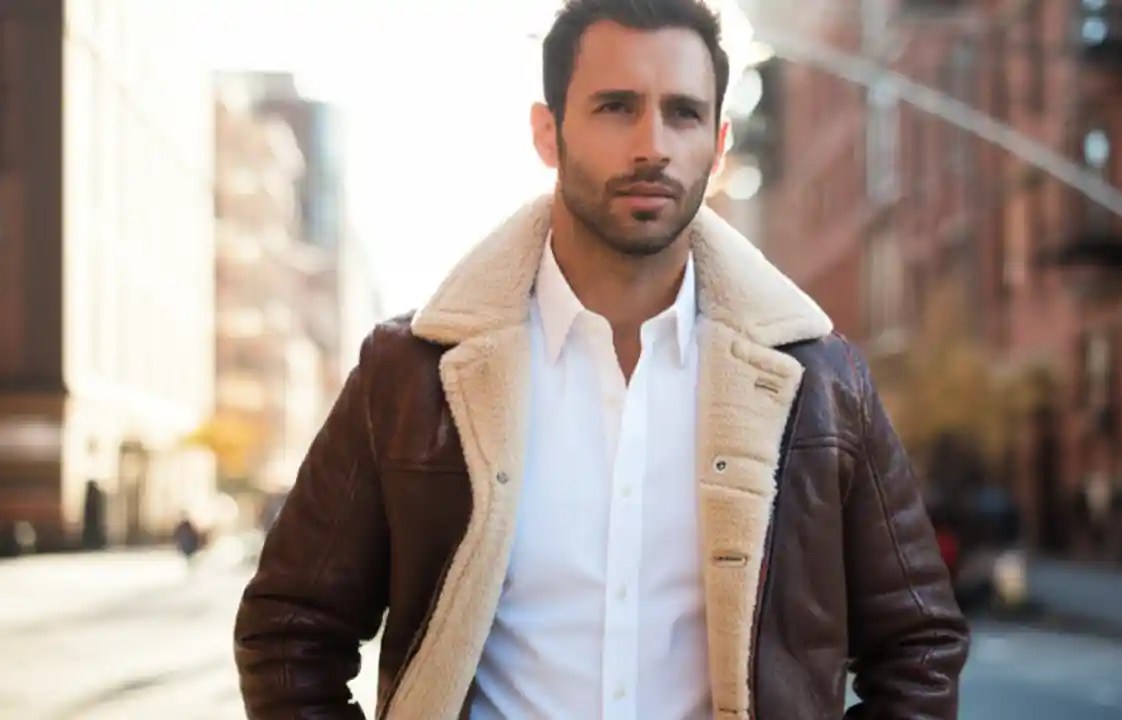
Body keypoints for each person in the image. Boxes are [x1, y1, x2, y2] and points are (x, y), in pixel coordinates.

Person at [234, 1, 969, 718]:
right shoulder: (412, 376)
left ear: (717, 146)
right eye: (616, 107)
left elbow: (918, 645)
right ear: (547, 132)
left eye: (682, 112)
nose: (652, 144)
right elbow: (290, 629)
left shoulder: (820, 383)